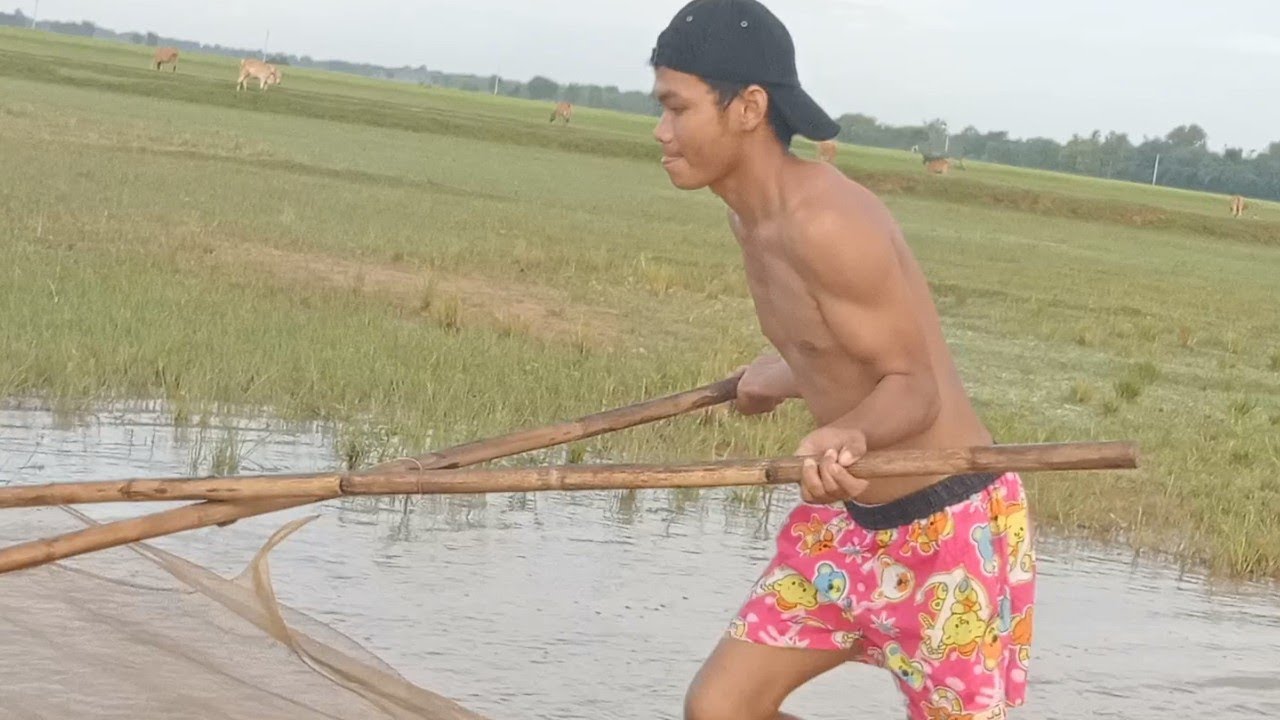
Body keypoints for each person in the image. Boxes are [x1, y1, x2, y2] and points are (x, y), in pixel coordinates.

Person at [647, 2, 1036, 718]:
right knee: (720, 710)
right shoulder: (749, 218)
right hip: (851, 526)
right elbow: (841, 347)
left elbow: (914, 387)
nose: (661, 131)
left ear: (748, 107)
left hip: (947, 531)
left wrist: (844, 434)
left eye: (677, 107)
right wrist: (785, 374)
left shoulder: (825, 221)